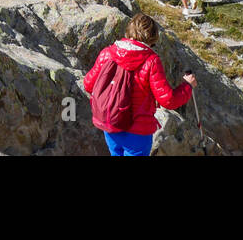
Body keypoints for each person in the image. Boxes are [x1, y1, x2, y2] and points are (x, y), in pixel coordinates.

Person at [83, 13, 195, 156]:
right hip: (137, 130)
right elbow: (168, 100)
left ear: (128, 31)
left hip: (110, 124)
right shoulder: (151, 61)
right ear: (152, 38)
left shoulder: (107, 53)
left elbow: (88, 84)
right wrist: (187, 86)